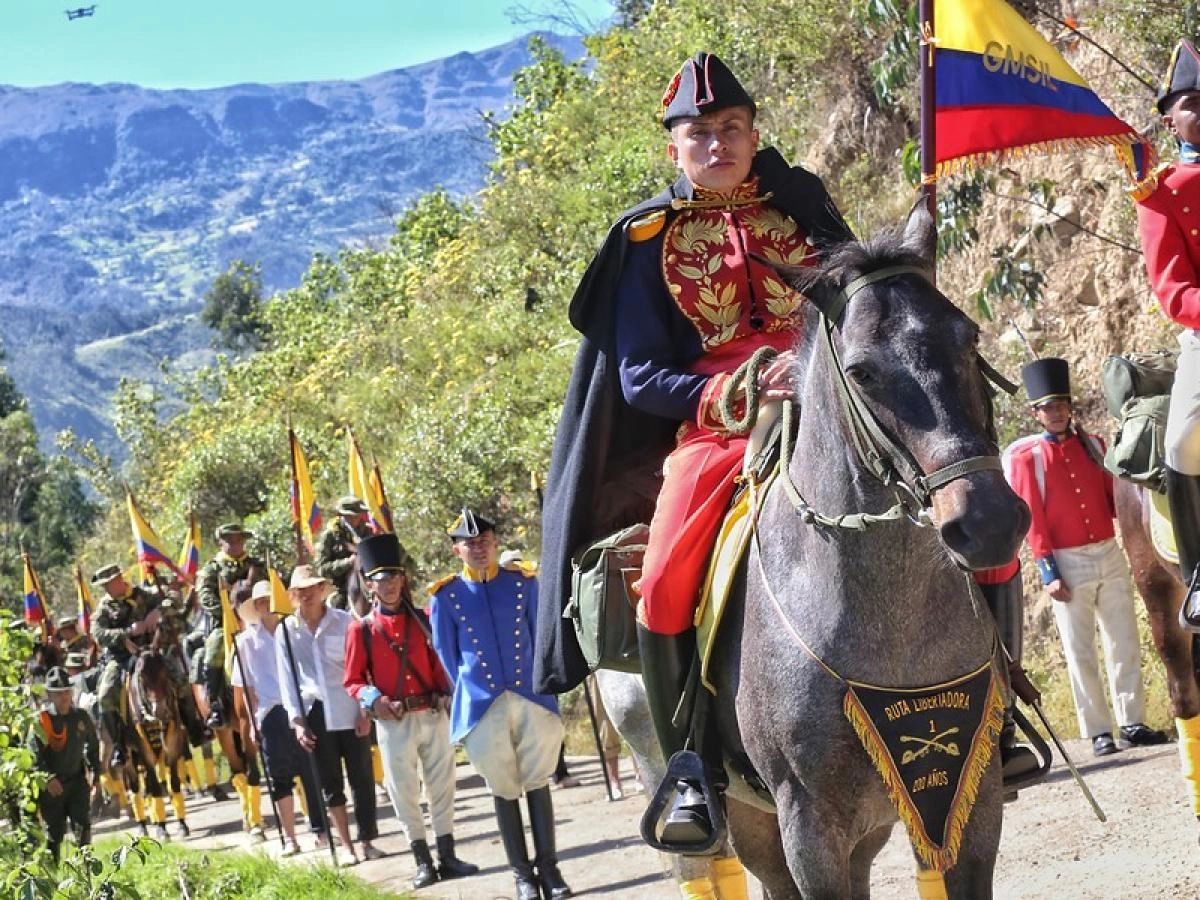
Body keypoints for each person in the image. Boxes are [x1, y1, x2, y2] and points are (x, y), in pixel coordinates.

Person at [535, 51, 854, 847]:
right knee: (665, 582)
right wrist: (729, 393)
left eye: (733, 128)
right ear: (673, 147)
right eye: (701, 132)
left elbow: (864, 305)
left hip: (833, 403)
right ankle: (691, 771)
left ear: (754, 135)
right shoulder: (647, 239)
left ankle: (997, 706)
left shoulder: (805, 208)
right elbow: (640, 377)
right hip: (721, 427)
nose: (719, 143)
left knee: (955, 485)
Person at [1005, 358, 1170, 756]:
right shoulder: (1030, 459)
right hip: (1067, 560)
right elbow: (1034, 519)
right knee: (1081, 650)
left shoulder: (1094, 445)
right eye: (1048, 407)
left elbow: (1115, 502)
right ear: (1036, 413)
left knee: (1123, 640)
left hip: (1108, 551)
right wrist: (1049, 571)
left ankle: (1132, 722)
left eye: (1061, 404)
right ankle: (1097, 730)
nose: (1056, 412)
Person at [429, 509, 572, 900]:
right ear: (457, 550)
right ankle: (522, 877)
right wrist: (475, 688)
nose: (479, 548)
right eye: (470, 543)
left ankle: (550, 871)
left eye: (484, 541)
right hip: (483, 704)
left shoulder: (523, 583)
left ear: (495, 544)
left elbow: (539, 637)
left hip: (531, 696)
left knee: (538, 781)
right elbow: (448, 656)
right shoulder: (446, 596)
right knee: (503, 787)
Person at [344, 533, 477, 889]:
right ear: (370, 585)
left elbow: (441, 662)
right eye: (381, 579)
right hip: (394, 721)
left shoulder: (425, 618)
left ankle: (447, 856)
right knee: (403, 792)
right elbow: (353, 680)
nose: (389, 585)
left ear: (403, 580)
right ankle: (423, 861)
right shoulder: (362, 629)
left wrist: (446, 692)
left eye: (394, 577)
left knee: (443, 786)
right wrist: (374, 699)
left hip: (432, 713)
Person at [1136, 38, 1200, 614]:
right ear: (1169, 120)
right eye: (1193, 104)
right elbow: (1173, 290)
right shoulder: (1161, 195)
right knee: (1182, 440)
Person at [276, 564, 381, 866]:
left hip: (349, 706)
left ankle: (367, 840)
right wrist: (297, 722)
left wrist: (366, 710)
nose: (307, 595)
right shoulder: (286, 630)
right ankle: (346, 845)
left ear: (322, 590)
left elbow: (364, 667)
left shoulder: (346, 621)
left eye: (312, 588)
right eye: (301, 590)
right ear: (293, 595)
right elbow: (287, 679)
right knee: (329, 783)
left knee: (362, 778)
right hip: (315, 711)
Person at [231, 578, 325, 856]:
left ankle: (319, 829)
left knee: (311, 770)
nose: (266, 606)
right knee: (279, 776)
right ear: (255, 607)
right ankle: (290, 837)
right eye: (260, 602)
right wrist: (252, 722)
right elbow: (247, 686)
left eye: (269, 601)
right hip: (270, 711)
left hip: (299, 706)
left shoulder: (294, 631)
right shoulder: (246, 642)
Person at [91, 564, 161, 767]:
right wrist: (126, 633)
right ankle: (118, 745)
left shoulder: (143, 594)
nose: (107, 588)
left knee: (180, 676)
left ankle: (194, 723)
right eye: (104, 585)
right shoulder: (105, 607)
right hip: (121, 657)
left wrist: (157, 612)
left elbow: (172, 597)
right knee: (105, 695)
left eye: (110, 583)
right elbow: (98, 633)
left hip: (152, 649)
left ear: (120, 579)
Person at [196, 524, 265, 728]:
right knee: (214, 649)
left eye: (239, 540)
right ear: (221, 543)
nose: (235, 544)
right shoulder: (212, 569)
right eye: (230, 541)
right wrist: (227, 613)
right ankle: (216, 704)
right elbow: (205, 597)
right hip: (225, 623)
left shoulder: (257, 565)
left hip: (260, 618)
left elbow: (274, 587)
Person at [31, 666, 100, 861]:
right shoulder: (42, 720)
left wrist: (96, 774)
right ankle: (53, 872)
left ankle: (85, 870)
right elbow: (34, 754)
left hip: (77, 781)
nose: (64, 697)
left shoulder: (81, 717)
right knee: (55, 834)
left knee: (83, 828)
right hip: (53, 788)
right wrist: (48, 778)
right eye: (58, 694)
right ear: (50, 696)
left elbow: (93, 746)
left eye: (67, 692)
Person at [315, 496, 378, 612]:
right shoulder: (330, 536)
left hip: (372, 583)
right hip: (341, 588)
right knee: (334, 608)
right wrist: (348, 563)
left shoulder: (369, 532)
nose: (356, 519)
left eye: (358, 515)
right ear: (342, 515)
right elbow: (321, 569)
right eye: (351, 516)